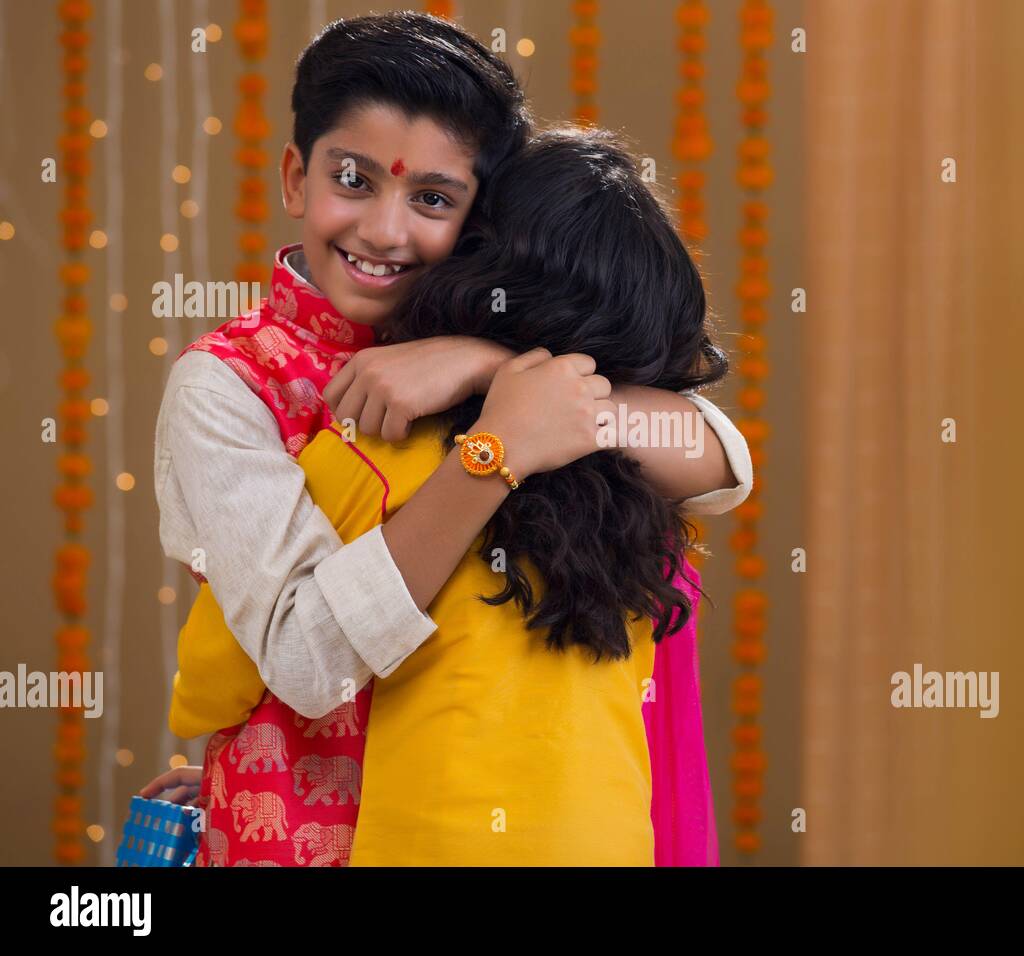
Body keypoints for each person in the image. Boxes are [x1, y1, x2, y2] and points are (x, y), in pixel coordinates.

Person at [149, 14, 749, 865]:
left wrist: (483, 364)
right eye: (351, 180)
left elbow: (723, 460)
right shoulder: (230, 383)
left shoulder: (500, 351)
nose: (387, 232)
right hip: (295, 839)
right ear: (294, 176)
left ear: (477, 217)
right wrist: (496, 450)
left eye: (432, 198)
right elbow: (305, 659)